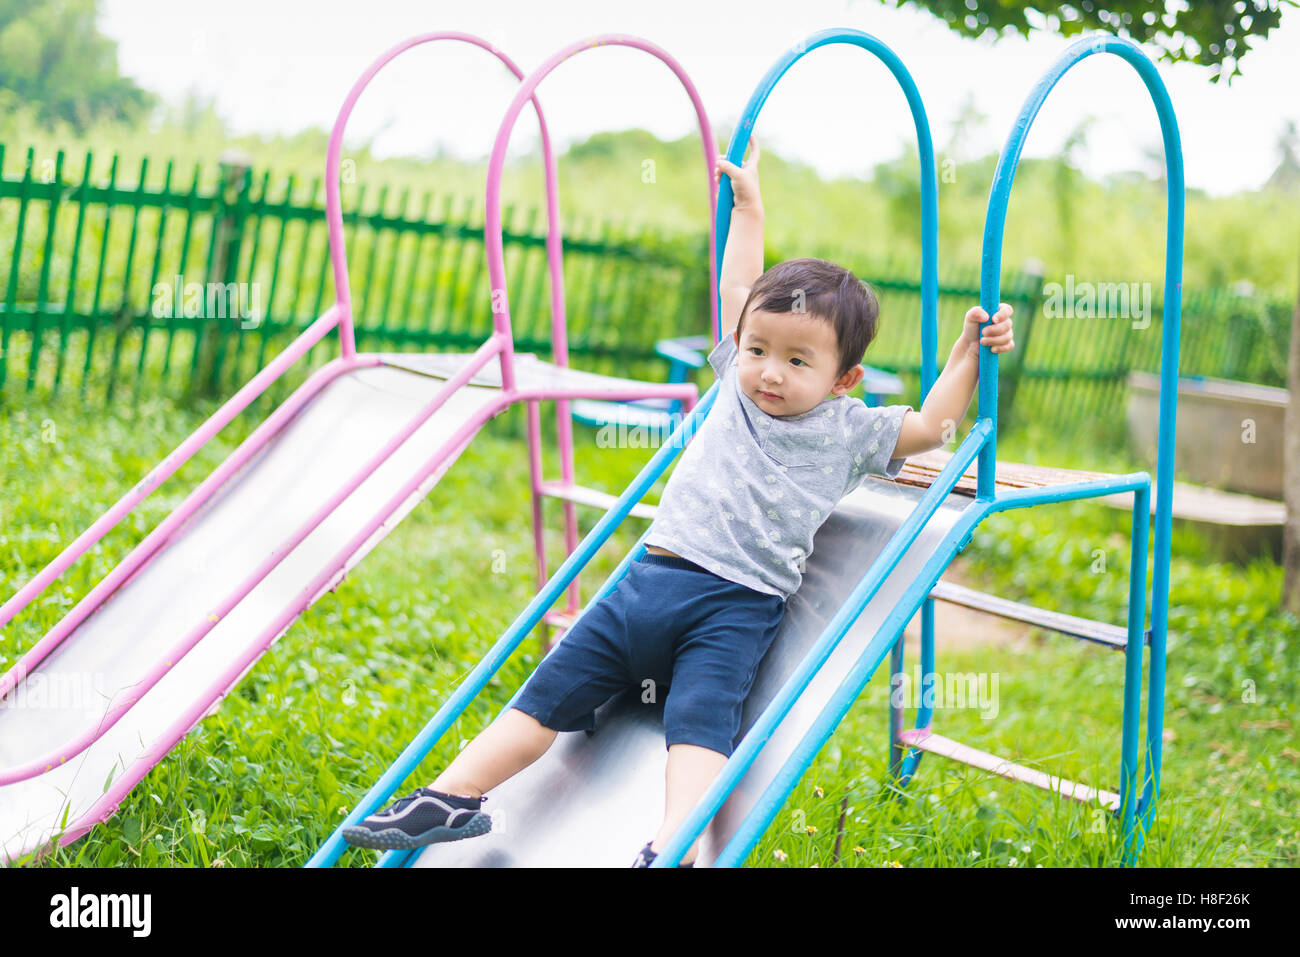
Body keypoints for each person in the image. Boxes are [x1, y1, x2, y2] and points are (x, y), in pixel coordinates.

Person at [342, 138, 1015, 866]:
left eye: (798, 361)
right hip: (646, 582)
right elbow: (739, 288)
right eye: (757, 349)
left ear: (845, 378)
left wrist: (966, 360)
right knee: (545, 696)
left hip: (736, 607)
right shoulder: (734, 383)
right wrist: (750, 208)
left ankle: (674, 846)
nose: (768, 373)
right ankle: (453, 797)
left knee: (699, 728)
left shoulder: (851, 430)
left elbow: (929, 429)